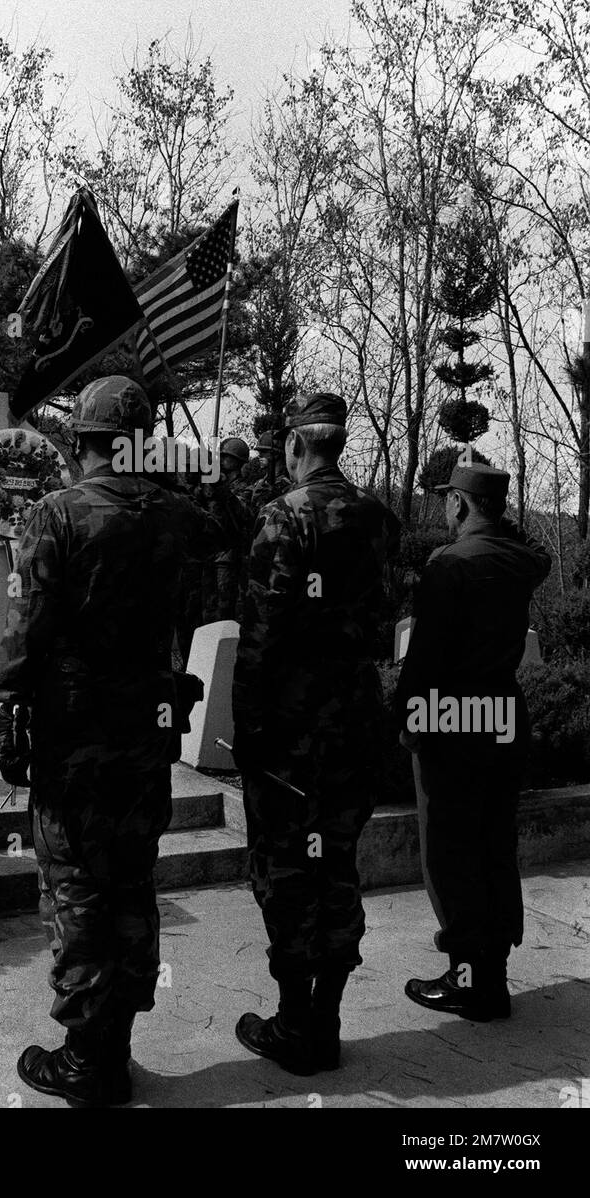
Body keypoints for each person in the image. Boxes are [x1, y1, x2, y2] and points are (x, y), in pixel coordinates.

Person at [0, 375, 242, 1107]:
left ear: (83, 442)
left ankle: (85, 1059)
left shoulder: (55, 515)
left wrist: (11, 705)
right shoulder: (178, 518)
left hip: (77, 735)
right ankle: (117, 1044)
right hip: (149, 730)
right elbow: (219, 567)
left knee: (75, 883)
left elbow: (26, 629)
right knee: (132, 879)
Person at [231, 393, 400, 1074]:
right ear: (340, 446)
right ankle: (325, 1019)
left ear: (298, 449)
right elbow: (383, 619)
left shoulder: (283, 519)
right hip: (356, 723)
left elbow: (260, 640)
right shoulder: (378, 520)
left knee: (284, 870)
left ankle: (296, 1022)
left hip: (292, 733)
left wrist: (247, 731)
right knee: (336, 866)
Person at [395, 462, 551, 1021]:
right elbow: (534, 548)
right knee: (493, 842)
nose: (443, 509)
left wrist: (410, 717)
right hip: (505, 714)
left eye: (447, 500)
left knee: (451, 846)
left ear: (459, 505)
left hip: (453, 717)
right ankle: (494, 975)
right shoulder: (523, 562)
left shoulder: (450, 564)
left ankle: (470, 982)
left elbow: (426, 654)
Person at [202, 436, 253, 623]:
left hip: (231, 556)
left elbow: (244, 513)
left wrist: (223, 491)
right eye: (221, 456)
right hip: (211, 553)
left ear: (238, 462)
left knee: (226, 610)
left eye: (226, 457)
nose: (222, 460)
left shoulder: (246, 488)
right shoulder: (216, 482)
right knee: (208, 609)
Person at [249, 430, 290, 514]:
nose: (259, 455)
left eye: (264, 452)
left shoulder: (288, 486)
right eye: (259, 452)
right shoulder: (260, 483)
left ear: (276, 454)